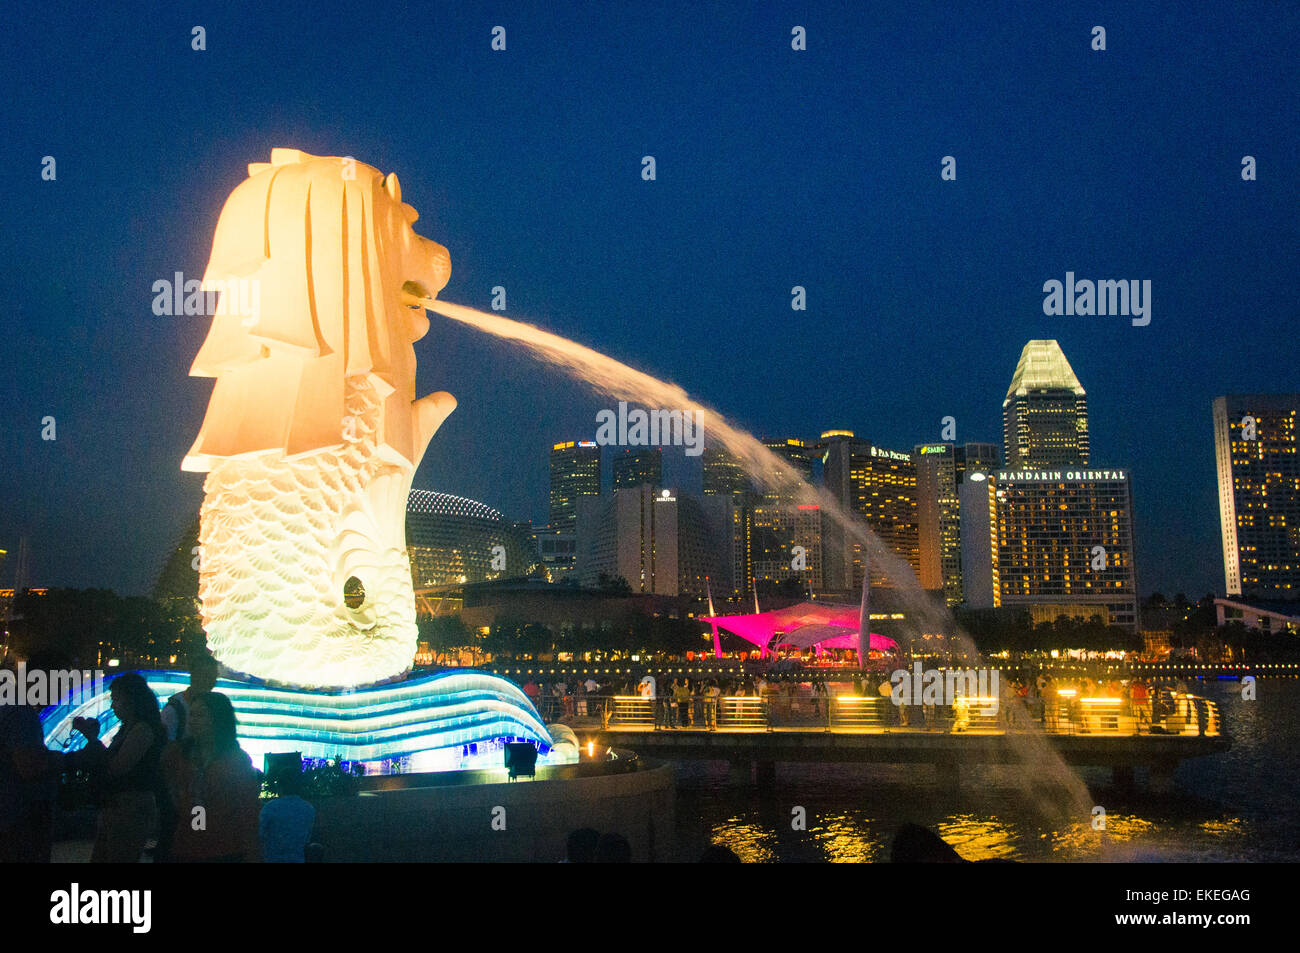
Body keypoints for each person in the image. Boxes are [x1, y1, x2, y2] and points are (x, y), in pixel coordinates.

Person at [71, 672, 167, 863]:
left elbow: (116, 768)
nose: (112, 706)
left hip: (129, 810)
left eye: (116, 699)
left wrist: (93, 741)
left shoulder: (142, 730)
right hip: (121, 808)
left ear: (131, 700)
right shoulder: (131, 727)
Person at [163, 692, 262, 862]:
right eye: (192, 714)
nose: (192, 720)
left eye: (200, 715)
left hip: (224, 848)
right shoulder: (178, 754)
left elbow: (248, 809)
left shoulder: (236, 760)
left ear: (218, 719)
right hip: (186, 846)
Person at [0, 653, 67, 863]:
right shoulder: (21, 714)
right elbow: (28, 765)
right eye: (62, 682)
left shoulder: (8, 706)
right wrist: (69, 760)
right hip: (21, 817)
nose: (65, 691)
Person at [259, 764, 315, 863]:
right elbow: (307, 839)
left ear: (279, 785)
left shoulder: (270, 807)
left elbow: (259, 835)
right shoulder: (309, 809)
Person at [161, 653, 219, 742]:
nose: (210, 681)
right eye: (205, 675)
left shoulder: (215, 705)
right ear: (193, 675)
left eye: (213, 676)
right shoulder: (174, 710)